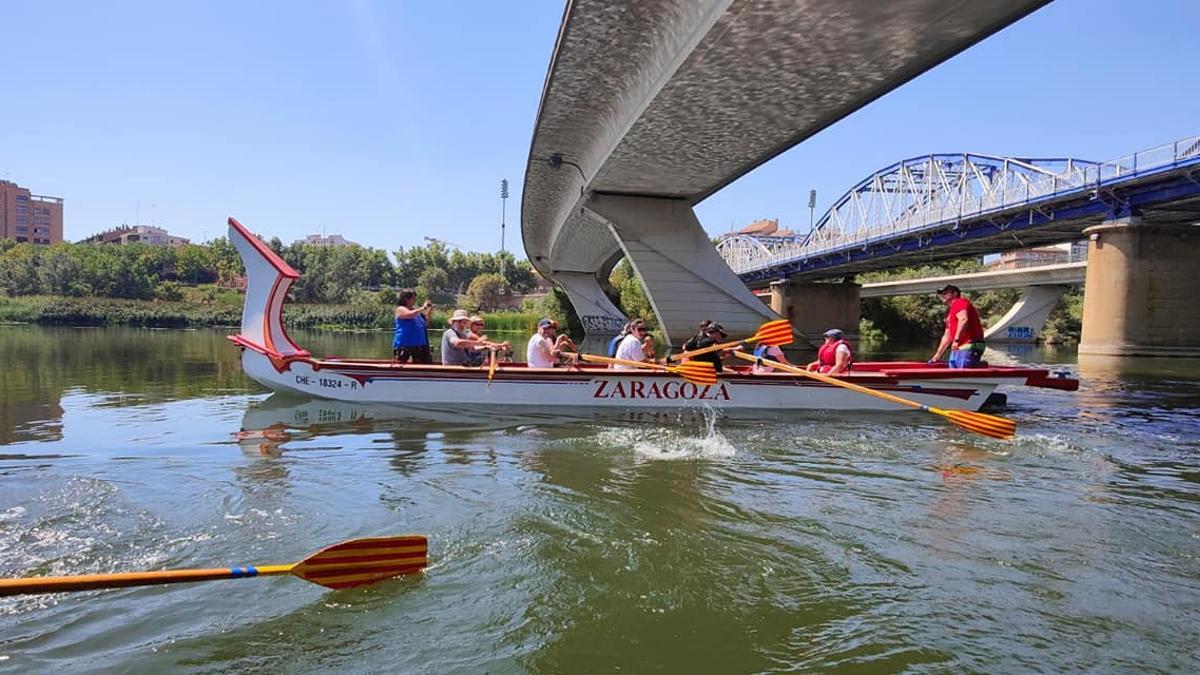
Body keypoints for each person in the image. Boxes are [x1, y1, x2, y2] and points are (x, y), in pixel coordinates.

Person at [929, 284, 986, 368]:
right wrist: (937, 356)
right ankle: (977, 364)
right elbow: (947, 336)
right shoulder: (950, 312)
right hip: (958, 347)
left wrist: (956, 340)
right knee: (953, 369)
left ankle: (981, 366)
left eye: (945, 293)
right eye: (942, 294)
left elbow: (963, 319)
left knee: (964, 369)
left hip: (969, 345)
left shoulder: (959, 302)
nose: (942, 296)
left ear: (955, 294)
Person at [393, 289, 433, 364]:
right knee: (402, 366)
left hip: (420, 345)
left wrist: (429, 312)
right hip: (405, 345)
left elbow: (424, 325)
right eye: (413, 298)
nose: (414, 300)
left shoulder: (416, 312)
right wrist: (423, 307)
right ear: (405, 299)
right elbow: (409, 315)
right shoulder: (400, 309)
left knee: (422, 366)